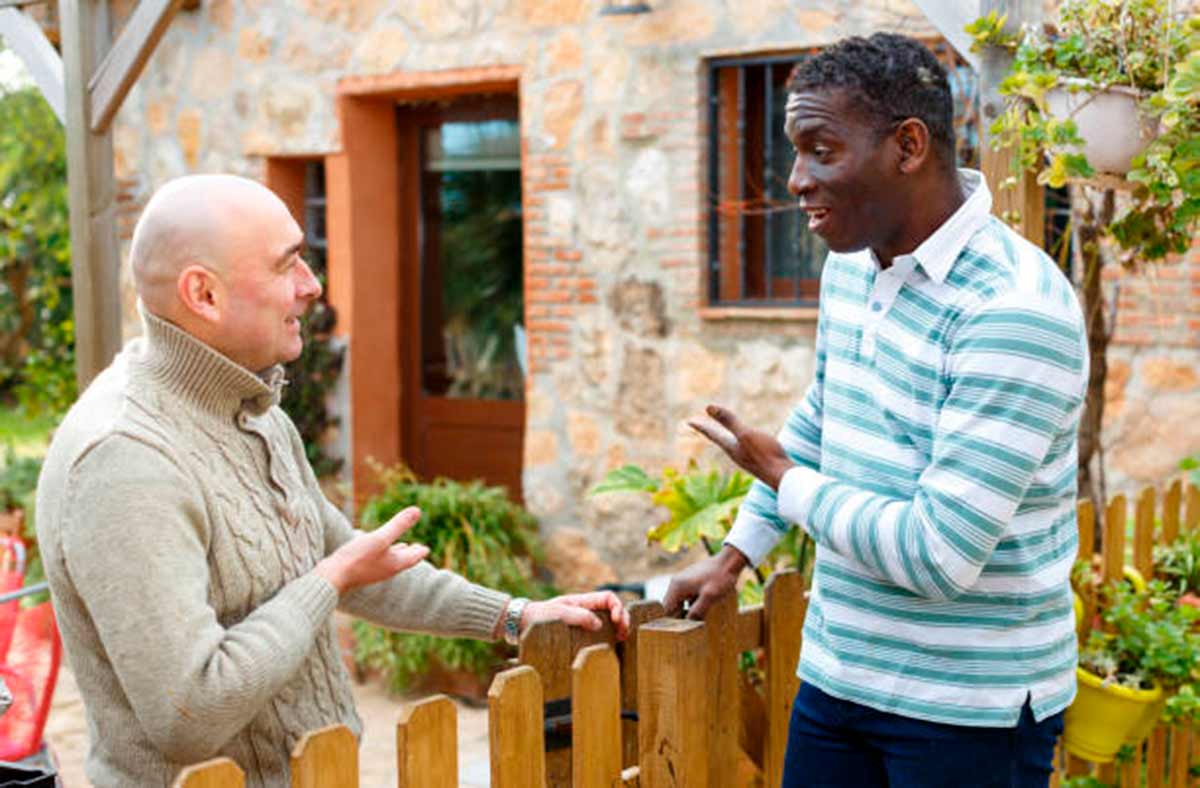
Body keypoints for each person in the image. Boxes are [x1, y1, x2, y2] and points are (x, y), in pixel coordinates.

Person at [35, 174, 629, 787]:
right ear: (203, 295)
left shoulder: (249, 409)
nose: (311, 286)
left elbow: (351, 563)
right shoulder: (124, 461)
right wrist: (326, 582)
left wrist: (515, 616)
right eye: (287, 264)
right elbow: (190, 712)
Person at [666, 33, 1087, 787]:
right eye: (796, 153)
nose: (795, 180)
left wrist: (782, 477)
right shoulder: (852, 269)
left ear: (909, 146)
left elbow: (938, 554)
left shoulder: (1014, 310)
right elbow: (827, 421)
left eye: (820, 150)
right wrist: (736, 557)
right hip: (839, 677)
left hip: (969, 712)